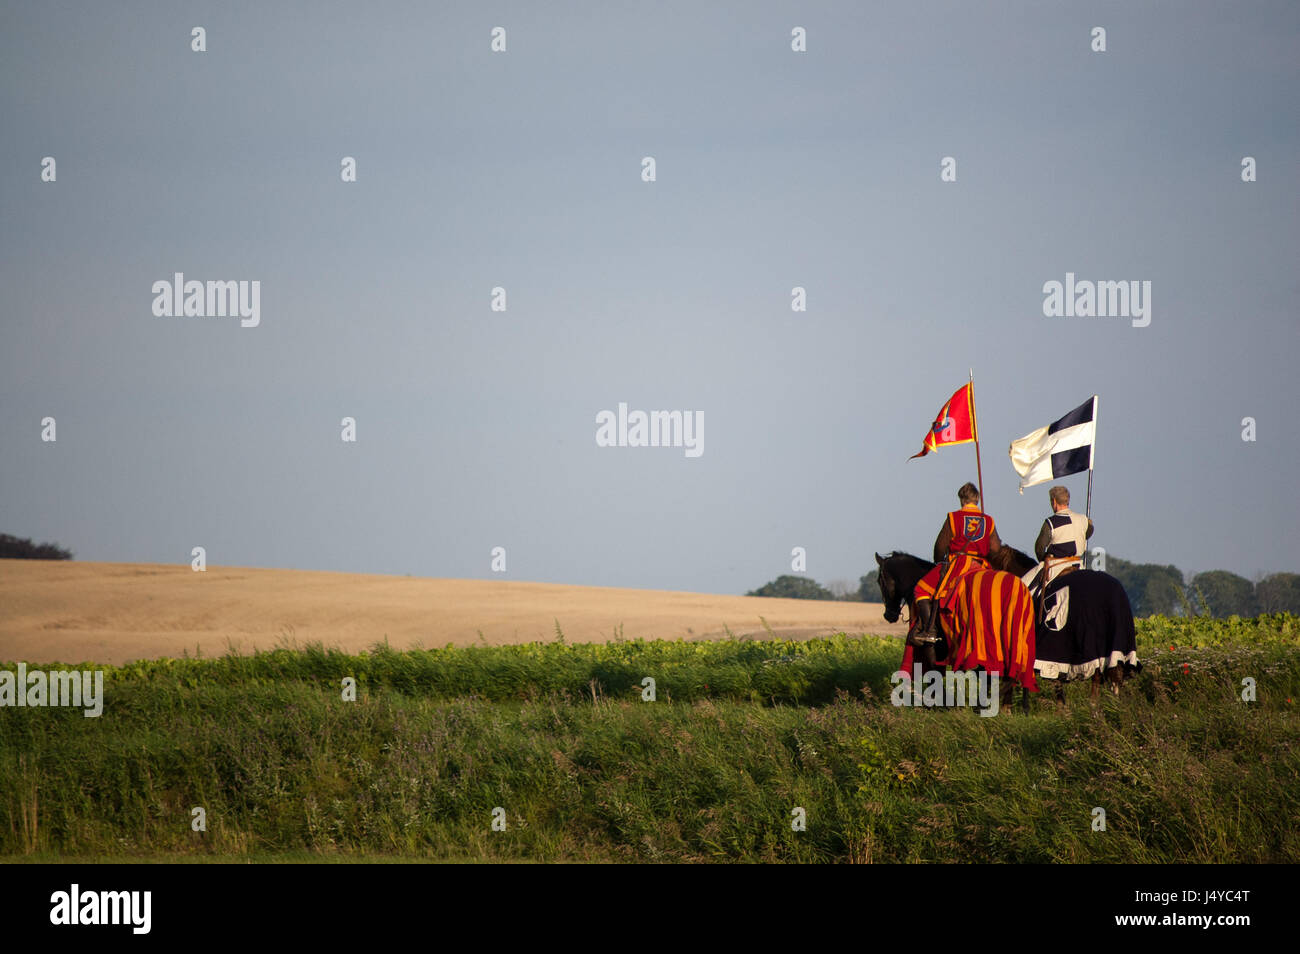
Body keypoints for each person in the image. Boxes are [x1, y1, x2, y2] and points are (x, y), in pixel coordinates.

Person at [912, 482, 1002, 643]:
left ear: (961, 500)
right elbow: (995, 549)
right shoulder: (988, 520)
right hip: (981, 565)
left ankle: (930, 630)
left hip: (959, 563)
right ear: (978, 499)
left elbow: (940, 546)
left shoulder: (953, 517)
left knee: (921, 589)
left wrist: (939, 562)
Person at [1033, 485, 1093, 585]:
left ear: (1054, 502)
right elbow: (1089, 532)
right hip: (1079, 565)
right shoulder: (1083, 519)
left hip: (1055, 569)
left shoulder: (1050, 523)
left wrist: (1044, 560)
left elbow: (1039, 548)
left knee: (1028, 588)